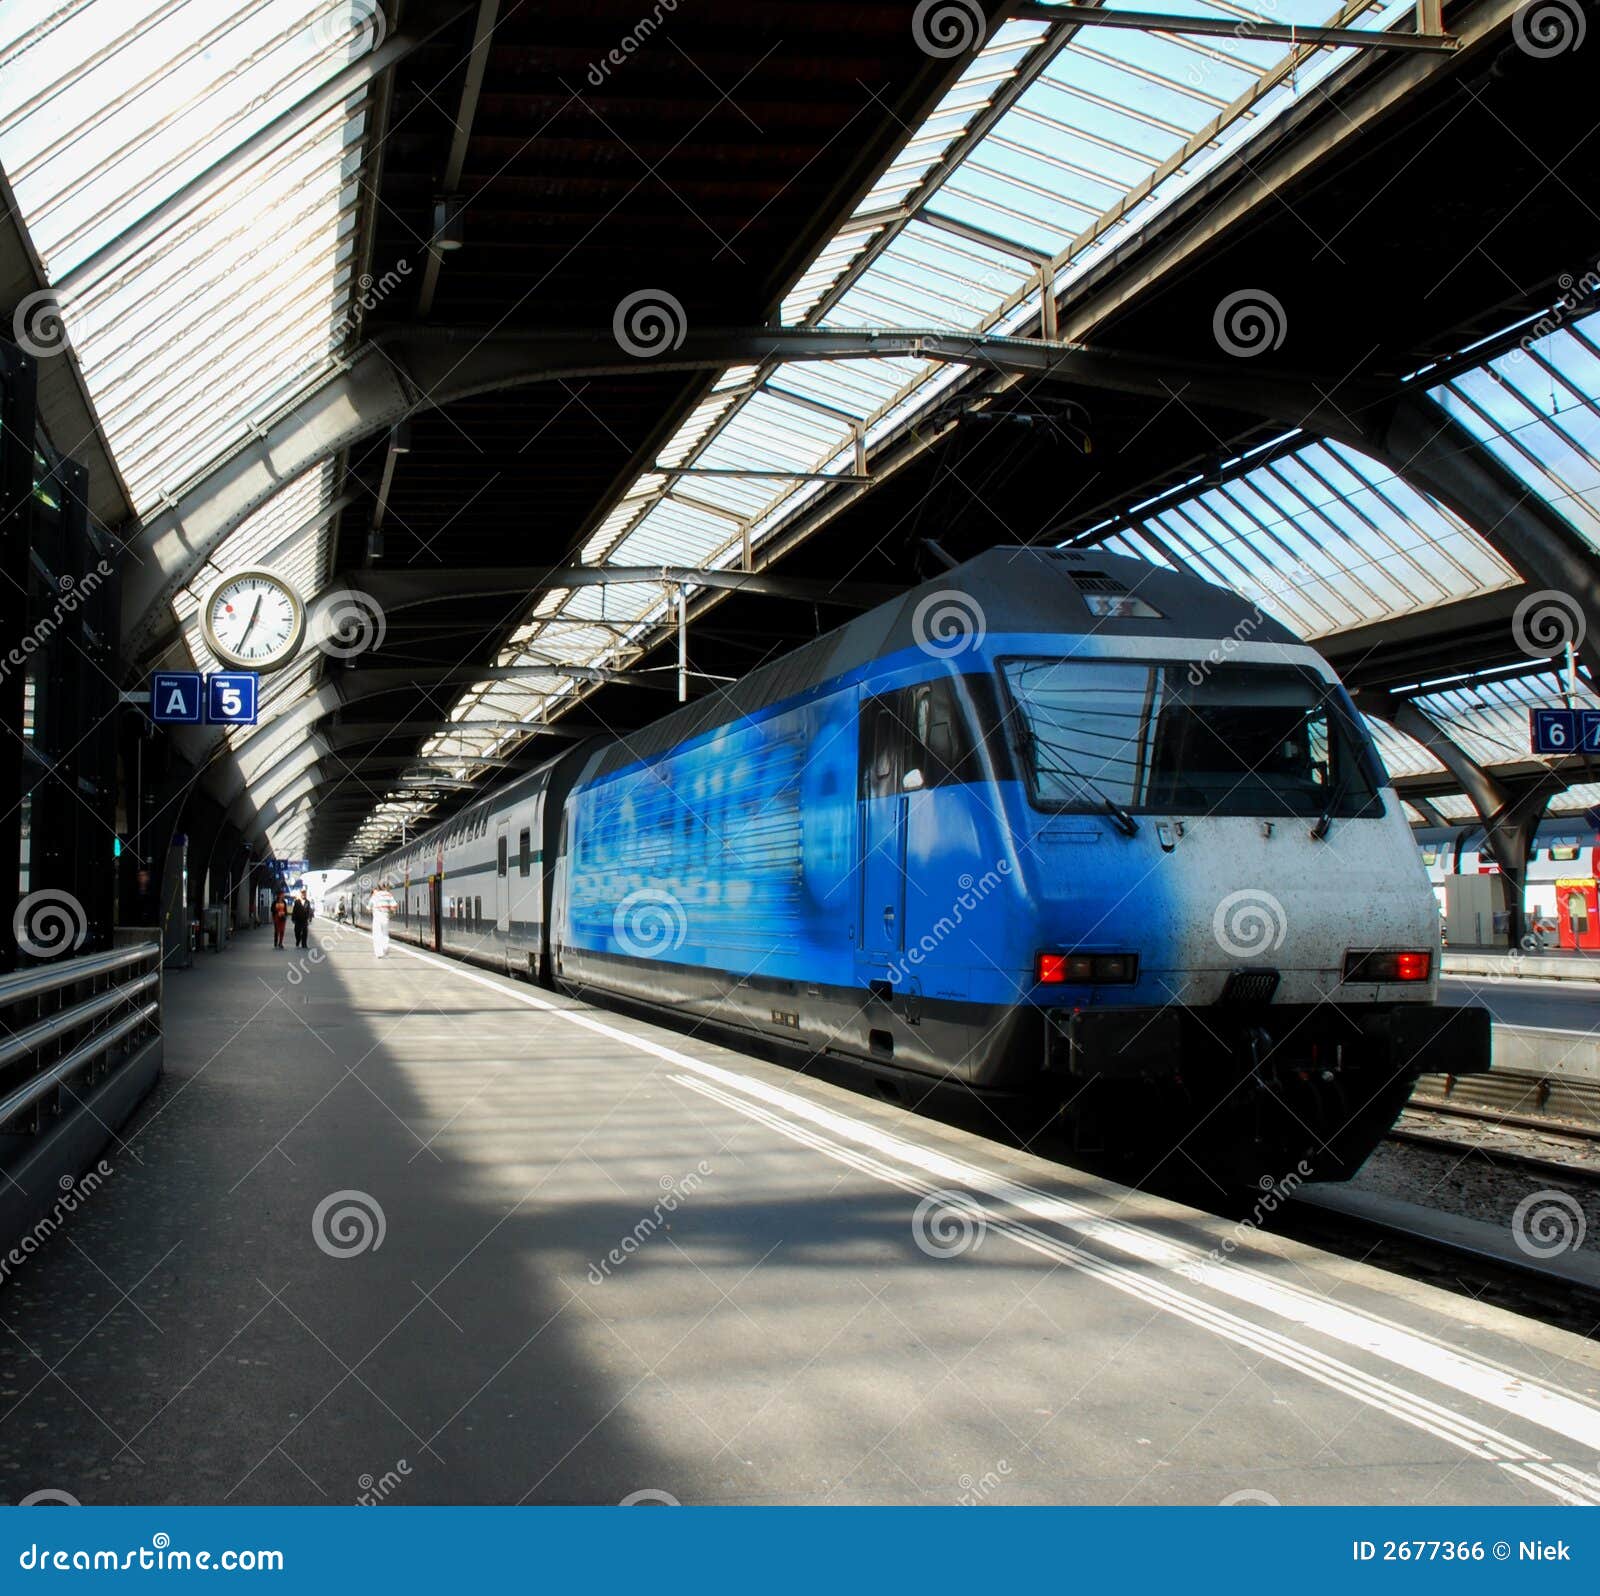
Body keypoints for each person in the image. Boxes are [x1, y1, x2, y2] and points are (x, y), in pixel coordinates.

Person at [370, 881, 397, 958]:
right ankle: (385, 948)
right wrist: (390, 911)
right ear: (385, 887)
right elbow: (394, 906)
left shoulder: (375, 896)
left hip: (377, 918)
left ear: (378, 887)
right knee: (385, 934)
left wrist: (374, 909)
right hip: (385, 917)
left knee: (377, 934)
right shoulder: (389, 895)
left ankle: (379, 953)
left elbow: (368, 907)